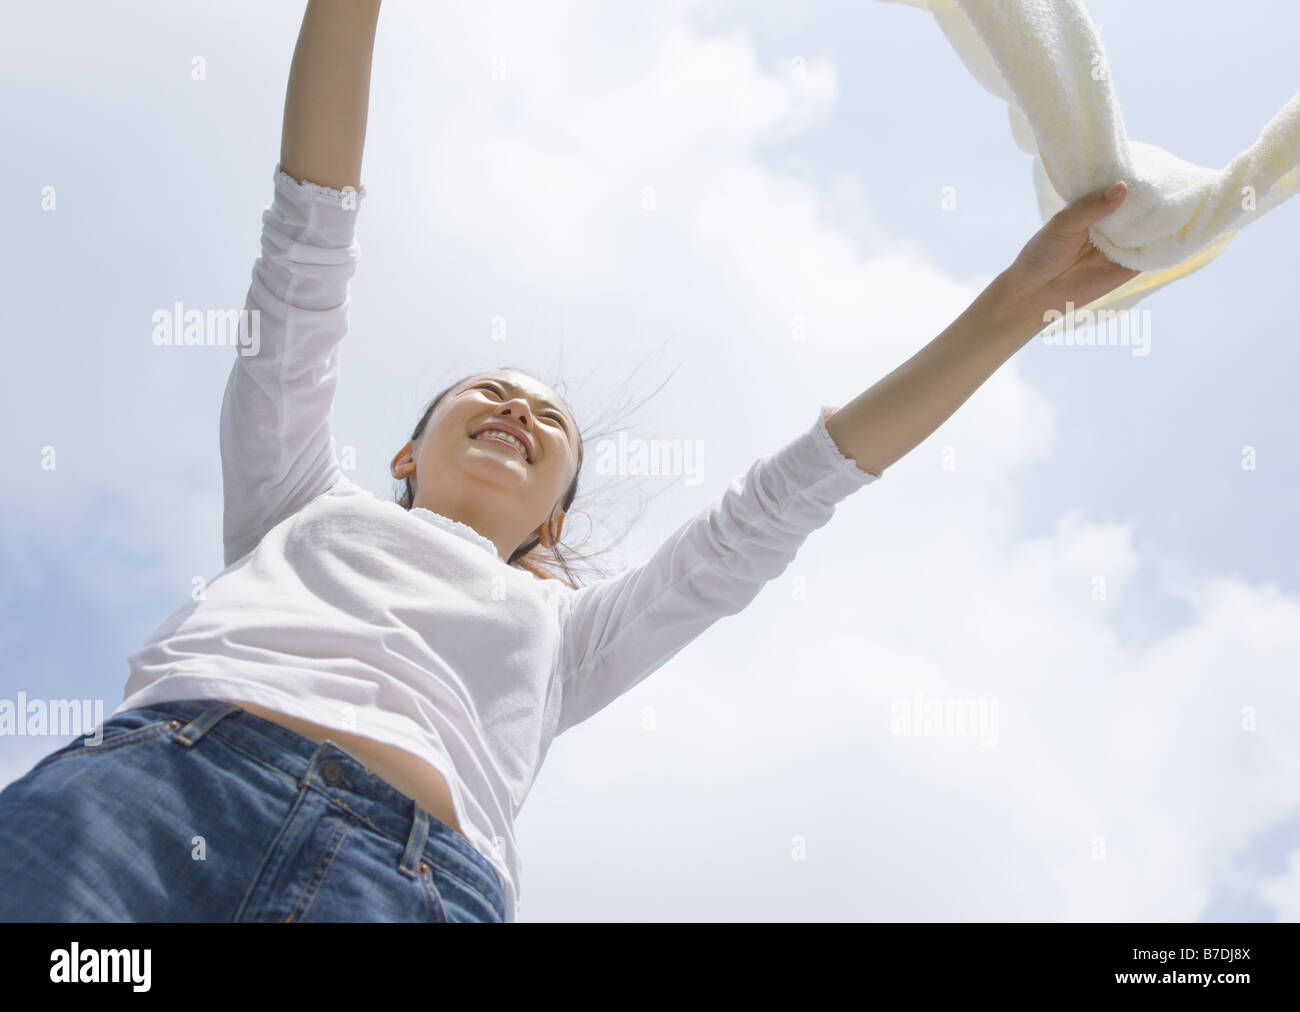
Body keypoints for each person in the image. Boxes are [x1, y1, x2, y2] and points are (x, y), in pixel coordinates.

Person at [0, 0, 1139, 923]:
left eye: (549, 420)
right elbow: (306, 246)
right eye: (486, 392)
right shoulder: (293, 499)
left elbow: (781, 503)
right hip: (149, 800)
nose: (514, 408)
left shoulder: (567, 636)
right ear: (404, 450)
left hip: (405, 884)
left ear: (552, 523)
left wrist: (1015, 308)